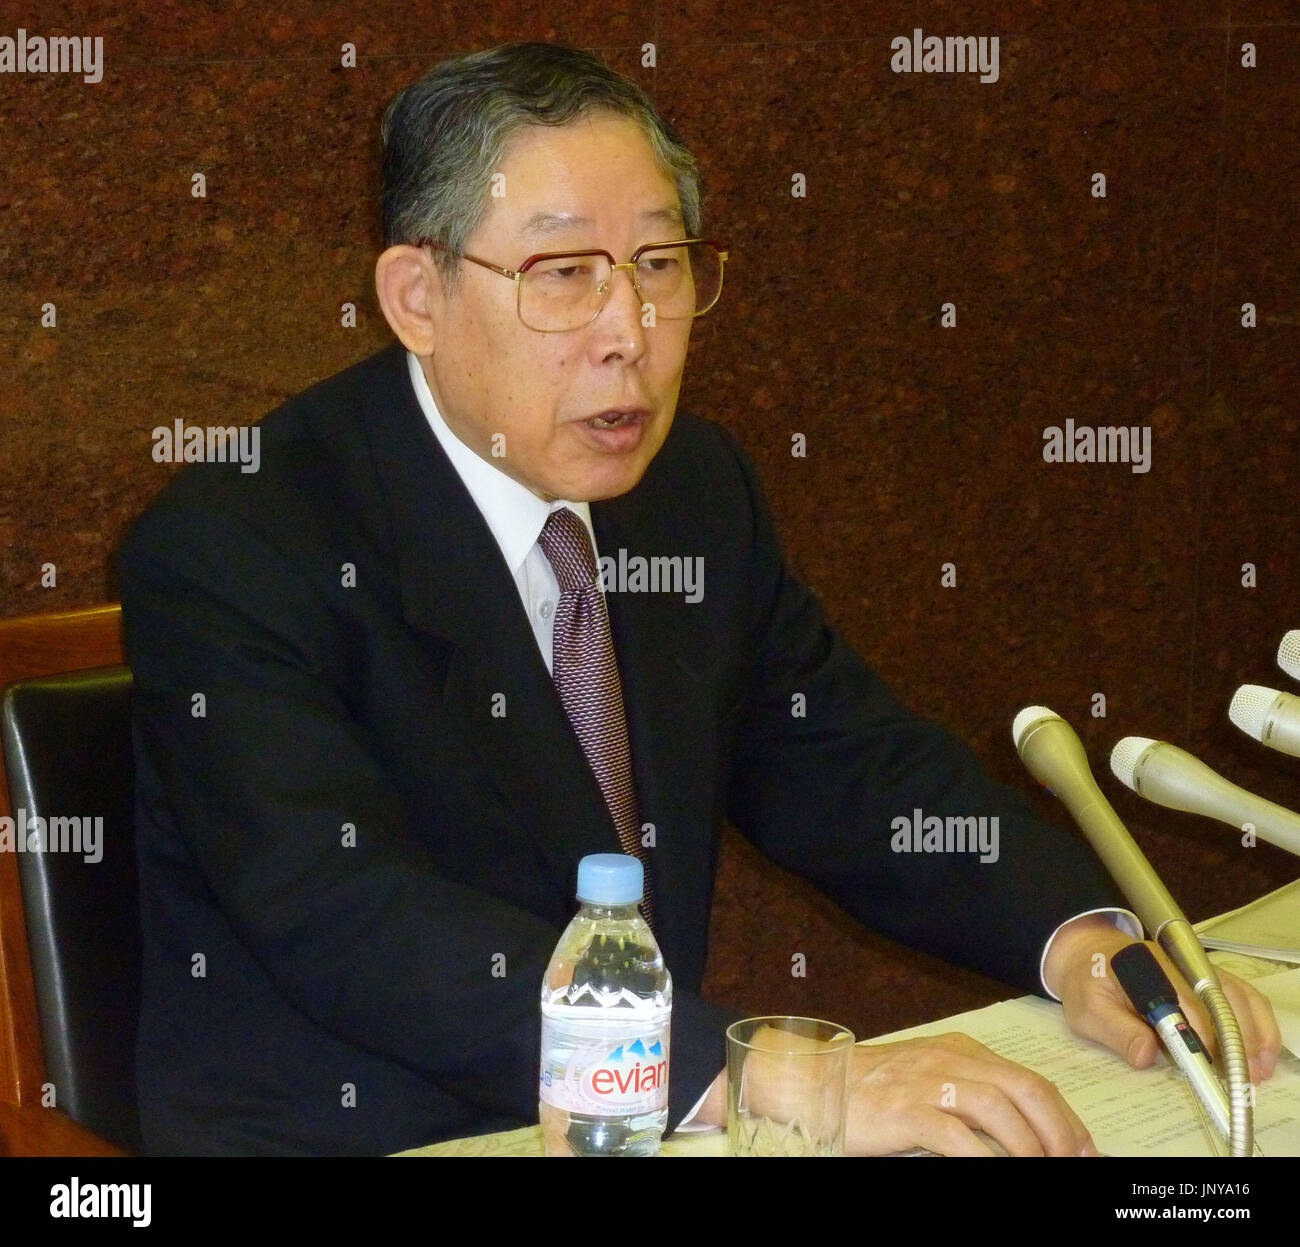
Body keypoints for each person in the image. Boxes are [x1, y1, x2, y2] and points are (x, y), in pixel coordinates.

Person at [118, 42, 1279, 1157]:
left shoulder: (687, 496)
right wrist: (760, 1073)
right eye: (563, 275)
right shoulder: (239, 544)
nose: (631, 336)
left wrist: (1080, 939)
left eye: (660, 266)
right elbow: (344, 910)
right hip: (376, 1131)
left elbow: (847, 765)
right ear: (416, 296)